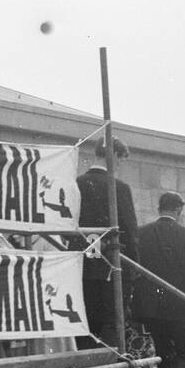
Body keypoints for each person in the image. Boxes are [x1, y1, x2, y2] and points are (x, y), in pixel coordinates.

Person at [130, 191, 185, 368]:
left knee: (163, 354)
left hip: (151, 308)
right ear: (179, 209)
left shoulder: (142, 233)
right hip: (181, 306)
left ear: (159, 208)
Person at [70, 137, 138, 350]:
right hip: (111, 267)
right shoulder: (120, 188)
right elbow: (130, 233)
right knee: (111, 325)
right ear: (115, 156)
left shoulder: (76, 184)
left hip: (81, 266)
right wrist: (133, 268)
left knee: (85, 323)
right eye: (120, 160)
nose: (119, 166)